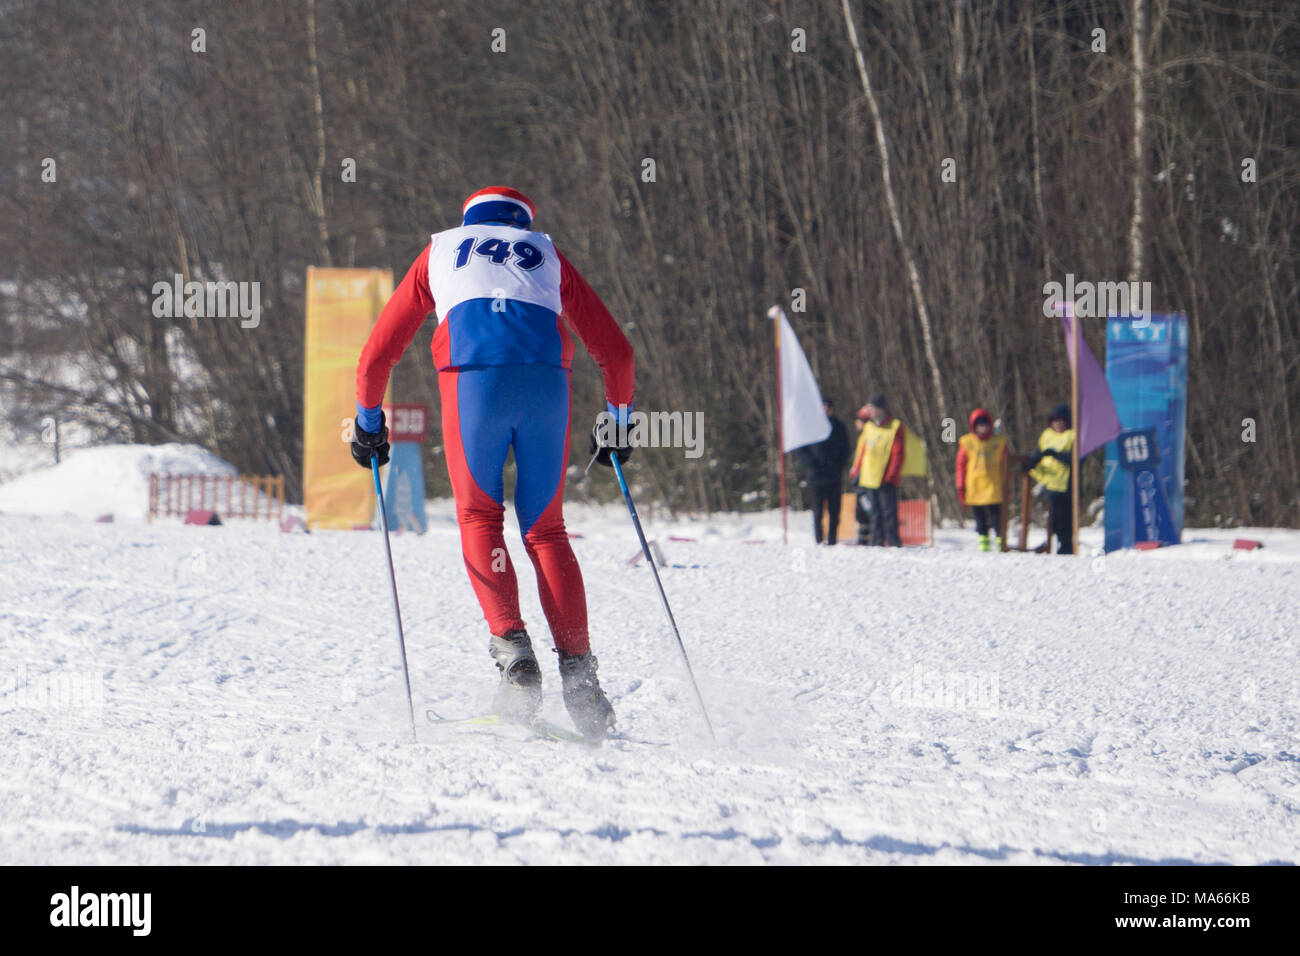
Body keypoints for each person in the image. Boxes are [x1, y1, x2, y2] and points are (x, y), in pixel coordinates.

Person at [351, 186, 634, 738]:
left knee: (480, 516)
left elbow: (376, 354)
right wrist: (619, 423)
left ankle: (516, 658)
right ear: (525, 219)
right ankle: (580, 677)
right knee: (547, 530)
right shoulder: (546, 253)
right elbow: (616, 351)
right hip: (545, 382)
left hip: (472, 378)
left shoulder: (441, 250)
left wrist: (368, 426)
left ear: (469, 217)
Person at [849, 393, 905, 547]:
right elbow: (862, 451)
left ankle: (894, 543)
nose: (869, 412)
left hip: (887, 478)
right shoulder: (868, 427)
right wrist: (856, 470)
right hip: (869, 477)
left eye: (872, 408)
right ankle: (876, 542)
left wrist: (891, 475)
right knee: (875, 514)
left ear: (880, 409)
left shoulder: (894, 427)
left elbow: (898, 455)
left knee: (889, 513)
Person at [794, 399, 851, 545]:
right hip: (816, 477)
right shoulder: (811, 427)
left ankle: (832, 540)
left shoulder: (839, 427)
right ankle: (818, 539)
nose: (825, 411)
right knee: (817, 512)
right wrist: (811, 463)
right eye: (823, 408)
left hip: (834, 476)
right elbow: (801, 450)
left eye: (828, 408)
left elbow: (846, 450)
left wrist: (839, 466)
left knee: (834, 512)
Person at [1021, 404, 1076, 555]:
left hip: (1066, 485)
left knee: (1064, 520)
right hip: (1050, 482)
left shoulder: (1072, 436)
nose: (1058, 424)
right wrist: (1030, 464)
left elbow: (1076, 459)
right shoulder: (1047, 435)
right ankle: (1055, 545)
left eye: (1061, 421)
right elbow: (1039, 454)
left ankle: (1065, 547)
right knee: (1055, 518)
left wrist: (1056, 455)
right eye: (1055, 421)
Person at [956, 408, 1007, 552]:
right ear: (974, 426)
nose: (982, 428)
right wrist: (961, 487)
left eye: (985, 425)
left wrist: (1007, 486)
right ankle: (984, 547)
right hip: (974, 487)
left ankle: (1001, 546)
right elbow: (960, 466)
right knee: (980, 521)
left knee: (997, 518)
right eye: (979, 425)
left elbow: (1006, 463)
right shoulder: (967, 442)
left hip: (994, 487)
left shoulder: (999, 442)